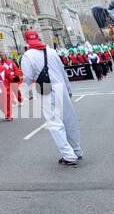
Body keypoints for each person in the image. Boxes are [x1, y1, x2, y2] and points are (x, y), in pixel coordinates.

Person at [20, 30, 83, 167]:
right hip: (61, 88)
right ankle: (77, 150)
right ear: (39, 38)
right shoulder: (52, 51)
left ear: (26, 40)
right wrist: (68, 89)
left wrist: (26, 94)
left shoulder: (27, 55)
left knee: (55, 123)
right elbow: (63, 71)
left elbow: (28, 78)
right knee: (69, 120)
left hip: (46, 91)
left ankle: (68, 155)